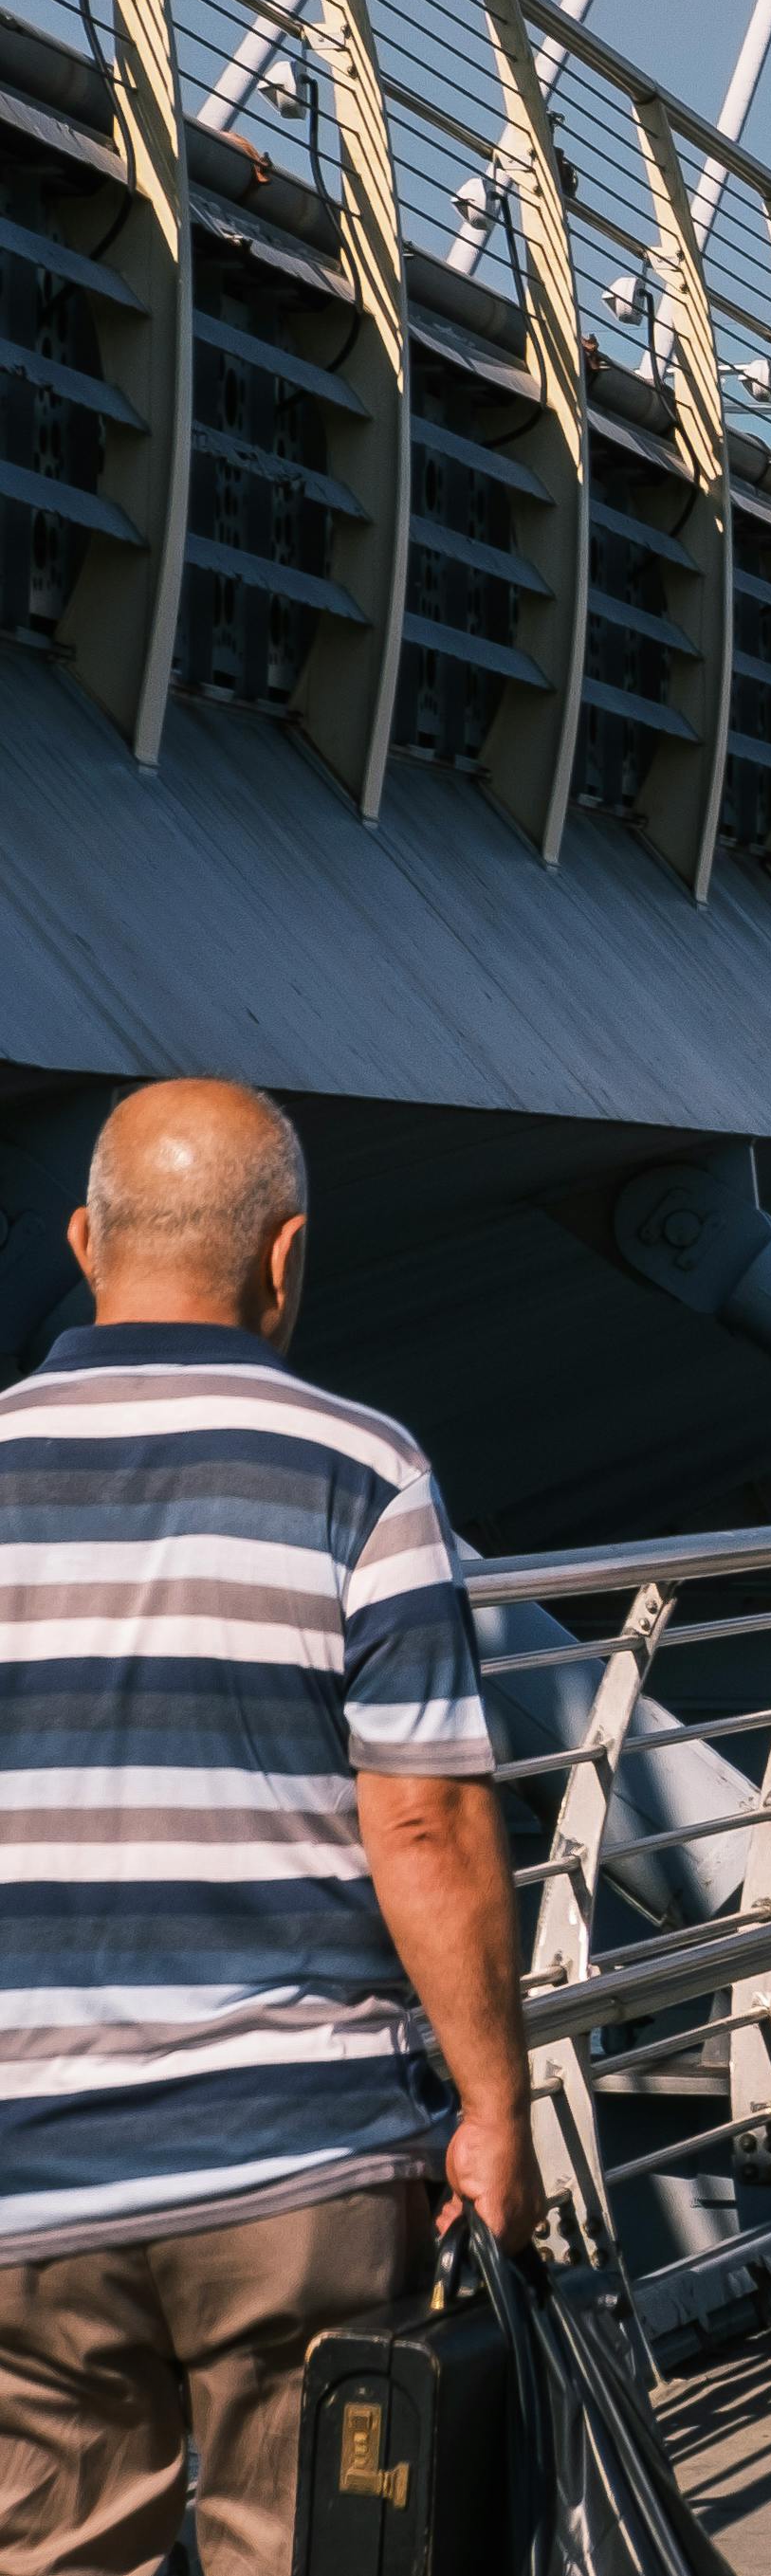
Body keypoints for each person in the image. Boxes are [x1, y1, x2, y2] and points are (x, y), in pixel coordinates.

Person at [0, 1084, 527, 2576]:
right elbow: (420, 1819)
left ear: (85, 1241)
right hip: (298, 2161)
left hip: (24, 2177)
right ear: (285, 1256)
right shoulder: (362, 1468)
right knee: (317, 2548)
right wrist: (494, 2109)